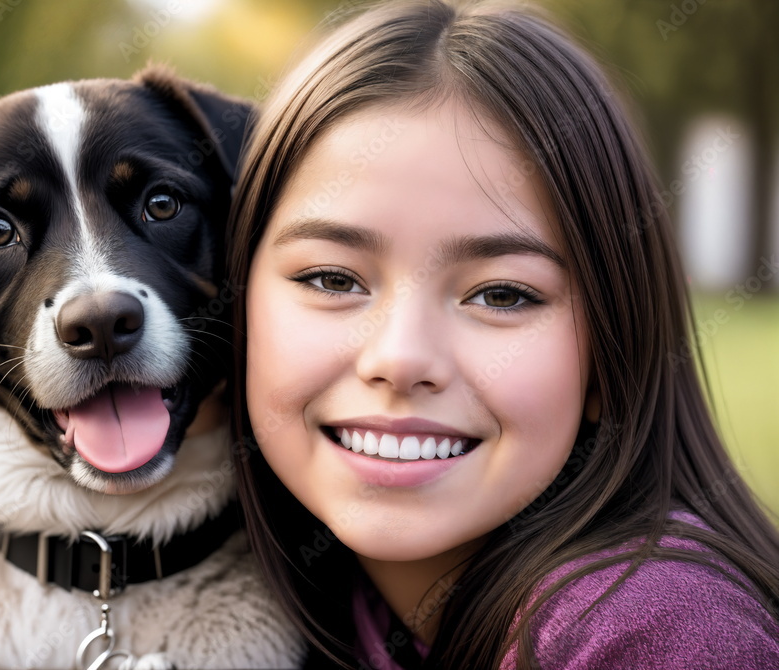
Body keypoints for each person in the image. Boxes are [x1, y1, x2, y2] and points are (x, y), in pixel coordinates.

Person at [224, 1, 779, 668]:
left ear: (609, 353)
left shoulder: (649, 631)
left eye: (502, 294)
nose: (400, 358)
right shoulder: (272, 606)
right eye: (333, 280)